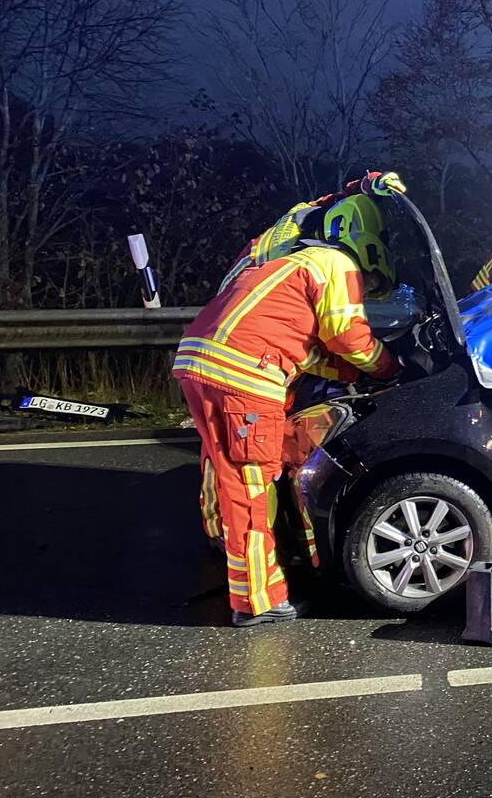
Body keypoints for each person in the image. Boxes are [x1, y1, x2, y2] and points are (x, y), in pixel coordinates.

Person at [174, 213, 400, 626]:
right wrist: (388, 367)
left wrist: (350, 372)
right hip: (243, 373)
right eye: (370, 288)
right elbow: (348, 336)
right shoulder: (339, 265)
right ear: (369, 261)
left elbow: (308, 352)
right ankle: (258, 602)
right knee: (252, 485)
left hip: (201, 360)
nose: (363, 295)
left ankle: (224, 546)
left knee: (224, 471)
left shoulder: (292, 266)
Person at [218, 170, 406, 291]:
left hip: (237, 305)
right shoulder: (308, 261)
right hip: (244, 305)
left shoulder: (308, 214)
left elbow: (344, 200)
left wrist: (372, 182)